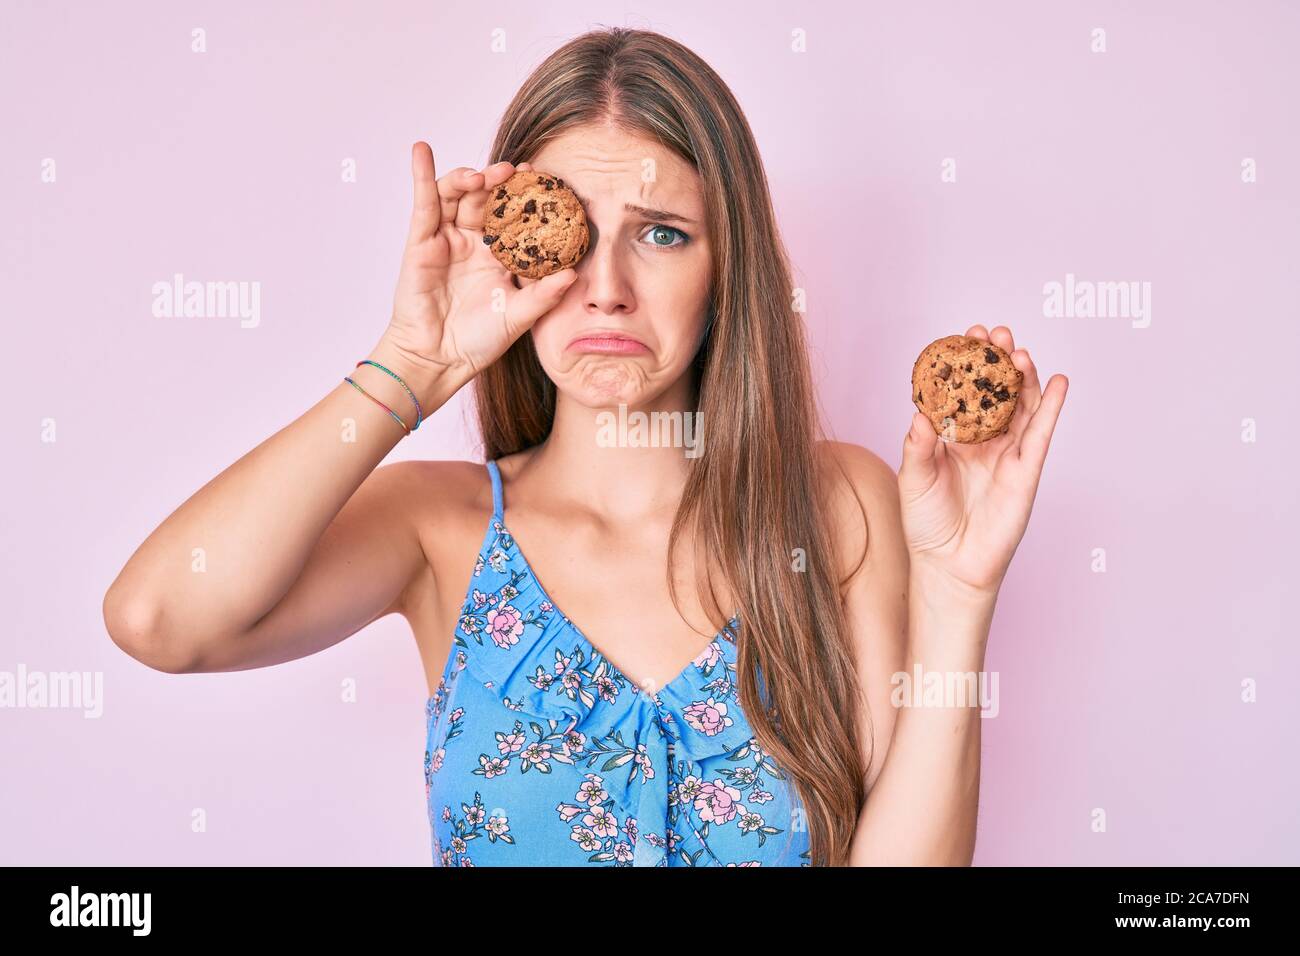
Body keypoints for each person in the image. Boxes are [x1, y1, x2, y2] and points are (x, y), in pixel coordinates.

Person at [103, 27, 1067, 867]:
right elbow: (160, 618)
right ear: (518, 246)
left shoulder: (839, 506)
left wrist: (958, 595)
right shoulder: (438, 530)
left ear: (726, 267)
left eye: (660, 233)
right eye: (572, 234)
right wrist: (411, 363)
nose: (605, 288)